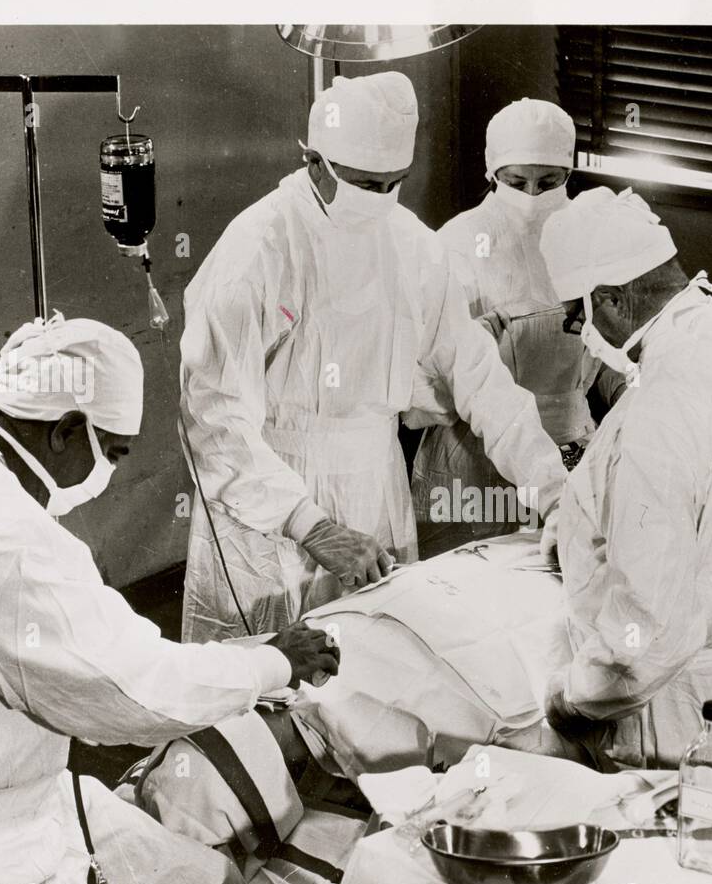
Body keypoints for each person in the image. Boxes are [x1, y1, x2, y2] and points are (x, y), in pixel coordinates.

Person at [0, 313, 340, 884]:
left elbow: (100, 646)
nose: (109, 472)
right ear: (65, 429)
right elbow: (138, 688)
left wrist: (256, 652)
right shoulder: (2, 545)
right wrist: (276, 662)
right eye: (113, 452)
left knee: (205, 879)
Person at [179, 71, 567, 641]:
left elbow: (480, 377)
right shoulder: (258, 247)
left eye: (395, 183)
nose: (382, 200)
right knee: (263, 684)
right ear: (315, 162)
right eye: (365, 184)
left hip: (375, 485)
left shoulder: (411, 245)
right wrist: (310, 526)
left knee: (378, 674)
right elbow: (213, 418)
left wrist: (554, 491)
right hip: (271, 499)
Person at [537, 187, 712, 798]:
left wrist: (576, 696)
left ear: (611, 299)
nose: (579, 332)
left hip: (686, 710)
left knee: (694, 868)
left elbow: (647, 630)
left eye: (576, 314)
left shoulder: (662, 407)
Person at [411, 98, 623, 557]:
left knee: (561, 578)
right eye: (515, 181)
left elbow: (606, 345)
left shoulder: (588, 239)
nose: (531, 196)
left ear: (570, 174)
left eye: (548, 182)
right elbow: (428, 379)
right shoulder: (457, 244)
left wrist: (628, 391)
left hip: (570, 449)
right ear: (492, 174)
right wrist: (481, 343)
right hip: (470, 465)